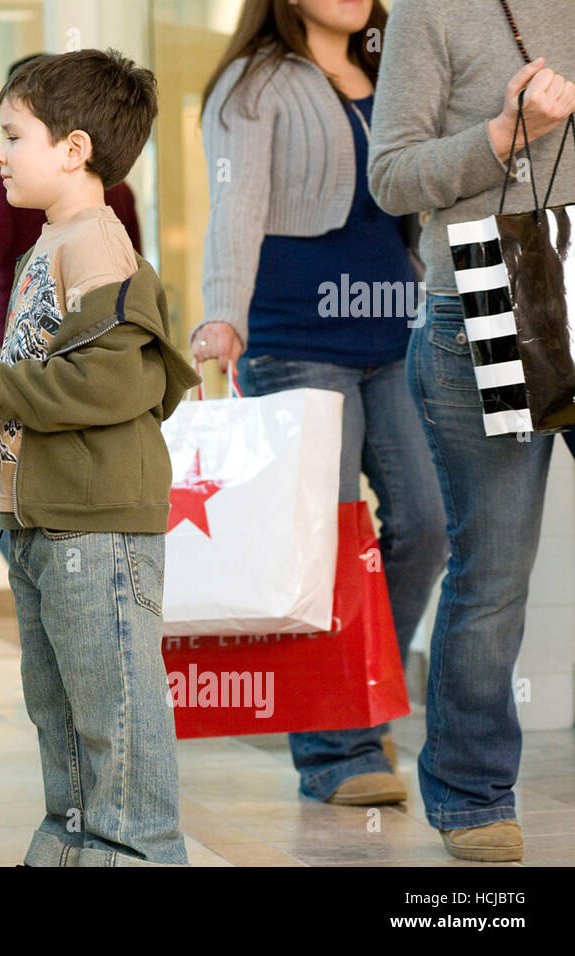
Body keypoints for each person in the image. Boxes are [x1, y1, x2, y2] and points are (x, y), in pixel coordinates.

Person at [0, 49, 199, 866]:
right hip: (46, 521)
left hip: (95, 526)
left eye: (14, 134)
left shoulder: (99, 250)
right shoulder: (50, 241)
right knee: (62, 711)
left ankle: (138, 851)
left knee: (117, 715)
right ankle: (70, 848)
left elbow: (106, 382)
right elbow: (40, 368)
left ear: (73, 149)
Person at [192, 0, 448, 809]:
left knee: (428, 523)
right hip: (296, 333)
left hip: (396, 328)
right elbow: (237, 208)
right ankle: (335, 750)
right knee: (327, 545)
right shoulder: (251, 82)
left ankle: (359, 695)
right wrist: (222, 312)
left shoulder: (392, 66)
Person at [369, 0, 575, 862]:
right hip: (488, 295)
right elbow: (391, 176)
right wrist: (505, 132)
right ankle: (472, 794)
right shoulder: (431, 11)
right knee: (493, 569)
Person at [0, 52, 144, 557]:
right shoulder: (101, 199)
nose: (1, 153)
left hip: (29, 382)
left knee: (8, 502)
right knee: (16, 502)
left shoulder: (75, 218)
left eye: (15, 135)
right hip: (27, 375)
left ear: (71, 145)